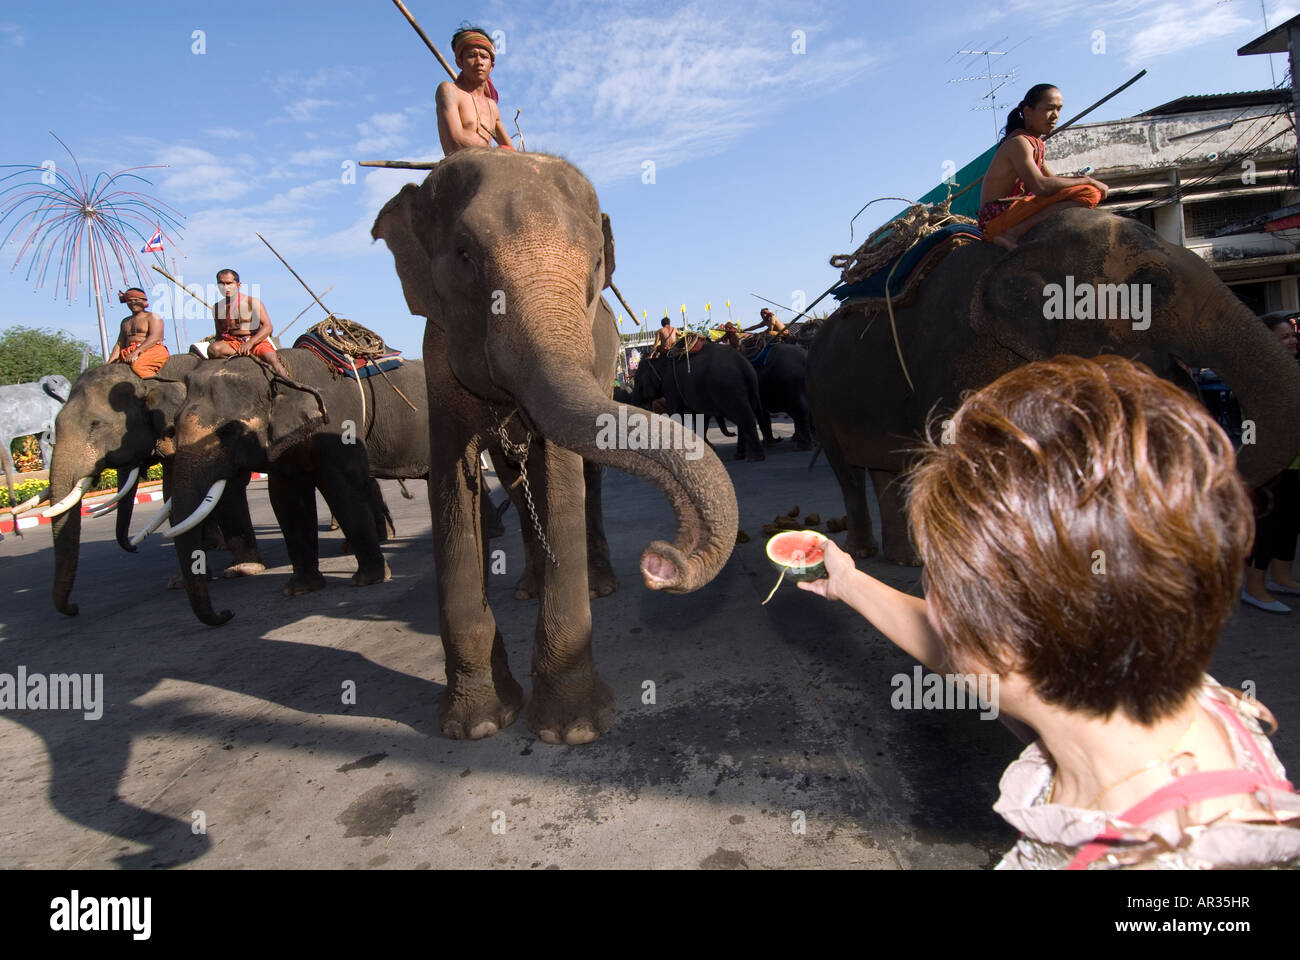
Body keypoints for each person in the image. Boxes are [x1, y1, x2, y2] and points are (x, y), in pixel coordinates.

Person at [800, 354, 1300, 868]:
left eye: (940, 586)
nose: (938, 611)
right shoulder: (1153, 672)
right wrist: (850, 583)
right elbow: (982, 658)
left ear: (1002, 643)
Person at [978, 84, 1110, 250]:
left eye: (1059, 109)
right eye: (1049, 109)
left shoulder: (1035, 143)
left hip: (1012, 211)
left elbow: (1052, 181)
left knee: (1080, 191)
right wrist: (1087, 180)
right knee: (1089, 192)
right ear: (1027, 112)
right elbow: (1040, 186)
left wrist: (1082, 182)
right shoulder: (1018, 143)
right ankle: (1011, 234)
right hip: (996, 219)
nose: (1055, 115)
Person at [1242, 311, 1300, 613]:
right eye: (1285, 336)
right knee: (1267, 526)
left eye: (1292, 335)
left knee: (1289, 524)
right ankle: (1254, 587)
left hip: (1293, 462)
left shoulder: (1289, 368)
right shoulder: (1259, 373)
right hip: (1271, 463)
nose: (1292, 341)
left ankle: (1281, 576)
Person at [436, 26, 515, 156]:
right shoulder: (449, 91)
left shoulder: (492, 106)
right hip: (460, 166)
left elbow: (511, 150)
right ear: (459, 62)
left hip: (487, 167)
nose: (479, 62)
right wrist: (497, 153)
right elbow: (457, 141)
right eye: (472, 56)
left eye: (484, 57)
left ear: (491, 66)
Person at [209, 269, 290, 378]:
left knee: (271, 358)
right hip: (233, 344)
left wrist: (250, 343)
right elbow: (219, 333)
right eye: (221, 284)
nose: (225, 287)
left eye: (229, 283)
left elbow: (268, 327)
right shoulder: (217, 308)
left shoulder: (252, 302)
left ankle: (288, 384)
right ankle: (244, 356)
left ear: (238, 285)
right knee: (214, 349)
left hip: (255, 341)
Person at [106, 288, 169, 378]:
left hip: (152, 349)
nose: (133, 303)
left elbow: (155, 338)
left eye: (136, 300)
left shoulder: (153, 317)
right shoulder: (125, 321)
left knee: (139, 367)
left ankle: (156, 388)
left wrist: (136, 352)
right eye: (129, 300)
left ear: (144, 301)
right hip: (128, 352)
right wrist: (109, 362)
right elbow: (120, 344)